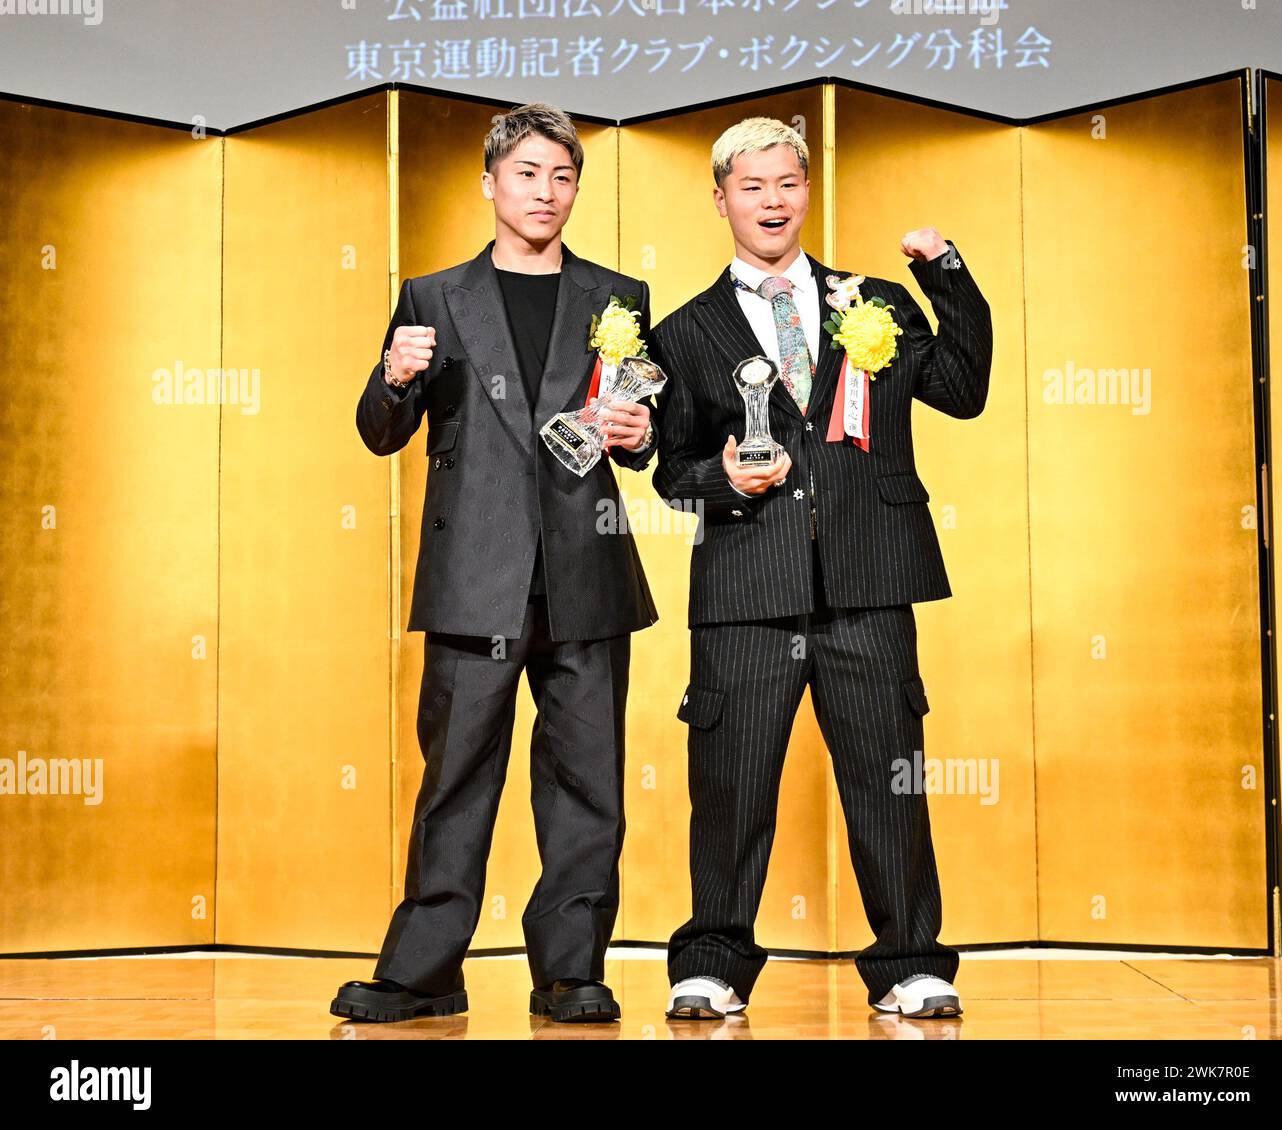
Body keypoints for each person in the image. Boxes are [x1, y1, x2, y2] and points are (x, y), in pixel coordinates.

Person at [646, 116, 993, 1020]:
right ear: (719, 199)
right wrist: (718, 477)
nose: (773, 202)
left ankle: (912, 960)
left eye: (789, 184)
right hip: (745, 591)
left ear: (809, 192)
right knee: (730, 785)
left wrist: (943, 269)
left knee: (889, 778)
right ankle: (712, 961)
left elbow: (962, 387)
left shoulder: (868, 298)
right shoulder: (685, 330)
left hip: (870, 582)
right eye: (752, 187)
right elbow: (669, 468)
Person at [331, 103, 658, 1024]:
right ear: (489, 185)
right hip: (476, 574)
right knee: (456, 780)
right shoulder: (434, 298)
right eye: (526, 174)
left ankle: (571, 972)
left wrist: (639, 432)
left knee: (588, 781)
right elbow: (378, 431)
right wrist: (392, 376)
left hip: (587, 574)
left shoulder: (617, 297)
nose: (544, 192)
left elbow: (642, 435)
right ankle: (425, 970)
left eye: (561, 176)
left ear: (576, 189)